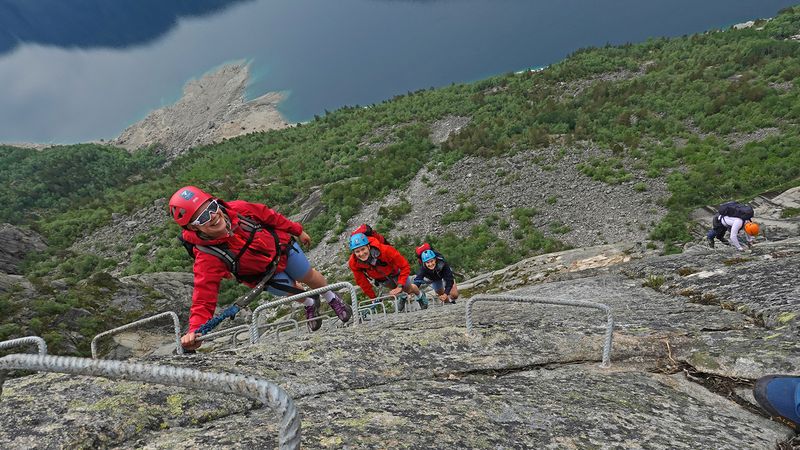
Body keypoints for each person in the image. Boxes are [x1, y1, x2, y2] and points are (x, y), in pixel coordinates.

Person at [168, 186, 352, 350]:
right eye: (203, 217)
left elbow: (270, 216)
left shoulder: (238, 210)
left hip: (281, 249)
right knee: (293, 291)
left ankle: (332, 298)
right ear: (192, 227)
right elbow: (203, 296)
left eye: (212, 207)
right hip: (261, 275)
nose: (213, 216)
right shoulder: (207, 255)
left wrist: (297, 230)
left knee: (307, 276)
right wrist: (196, 331)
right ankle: (310, 303)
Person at [347, 232, 427, 312]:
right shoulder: (354, 263)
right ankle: (402, 297)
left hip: (396, 273)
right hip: (382, 279)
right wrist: (373, 298)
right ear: (354, 252)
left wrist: (400, 285)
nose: (361, 254)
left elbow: (404, 266)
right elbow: (362, 282)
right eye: (357, 251)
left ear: (368, 246)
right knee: (394, 291)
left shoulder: (385, 250)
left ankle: (419, 295)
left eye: (363, 249)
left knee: (408, 289)